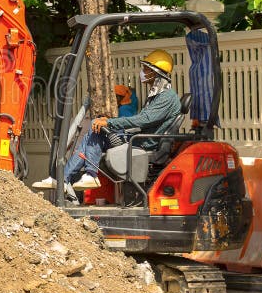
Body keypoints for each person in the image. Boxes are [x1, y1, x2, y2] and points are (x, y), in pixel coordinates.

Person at [33, 49, 181, 191]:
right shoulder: (158, 95)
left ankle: (81, 176)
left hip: (144, 143)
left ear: (156, 72)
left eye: (146, 69)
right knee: (93, 131)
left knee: (95, 127)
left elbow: (144, 120)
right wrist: (107, 121)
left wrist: (109, 123)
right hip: (139, 139)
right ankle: (65, 179)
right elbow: (144, 120)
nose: (142, 72)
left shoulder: (167, 97)